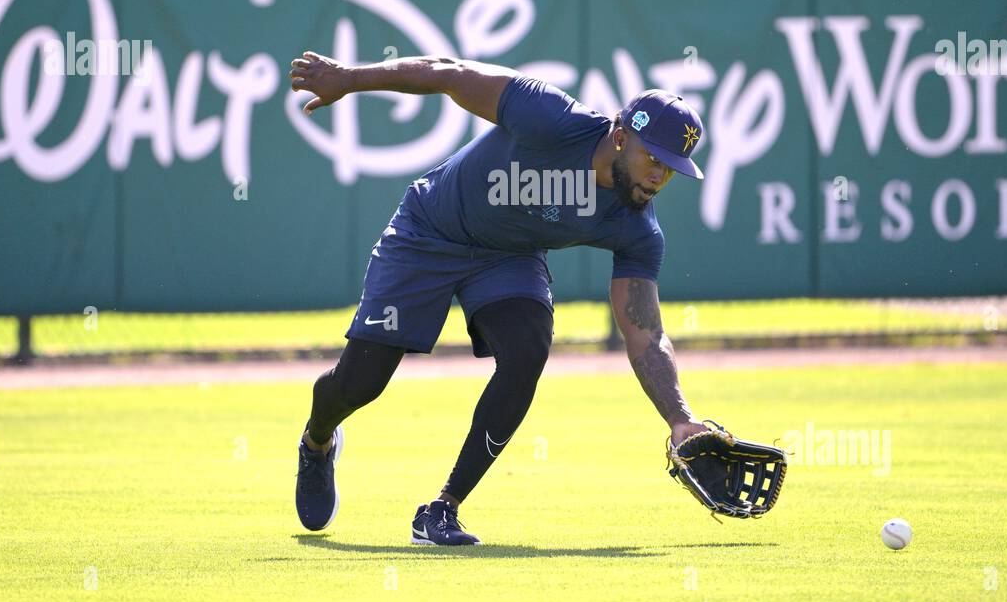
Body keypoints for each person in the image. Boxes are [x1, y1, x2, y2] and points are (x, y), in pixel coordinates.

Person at [288, 51, 711, 545]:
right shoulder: (550, 117)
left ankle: (442, 509)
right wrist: (350, 79)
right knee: (361, 381)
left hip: (507, 257)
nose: (660, 176)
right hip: (429, 231)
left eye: (672, 167)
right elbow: (450, 73)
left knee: (527, 350)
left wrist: (680, 419)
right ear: (620, 136)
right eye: (653, 158)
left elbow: (646, 334)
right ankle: (317, 442)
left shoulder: (638, 228)